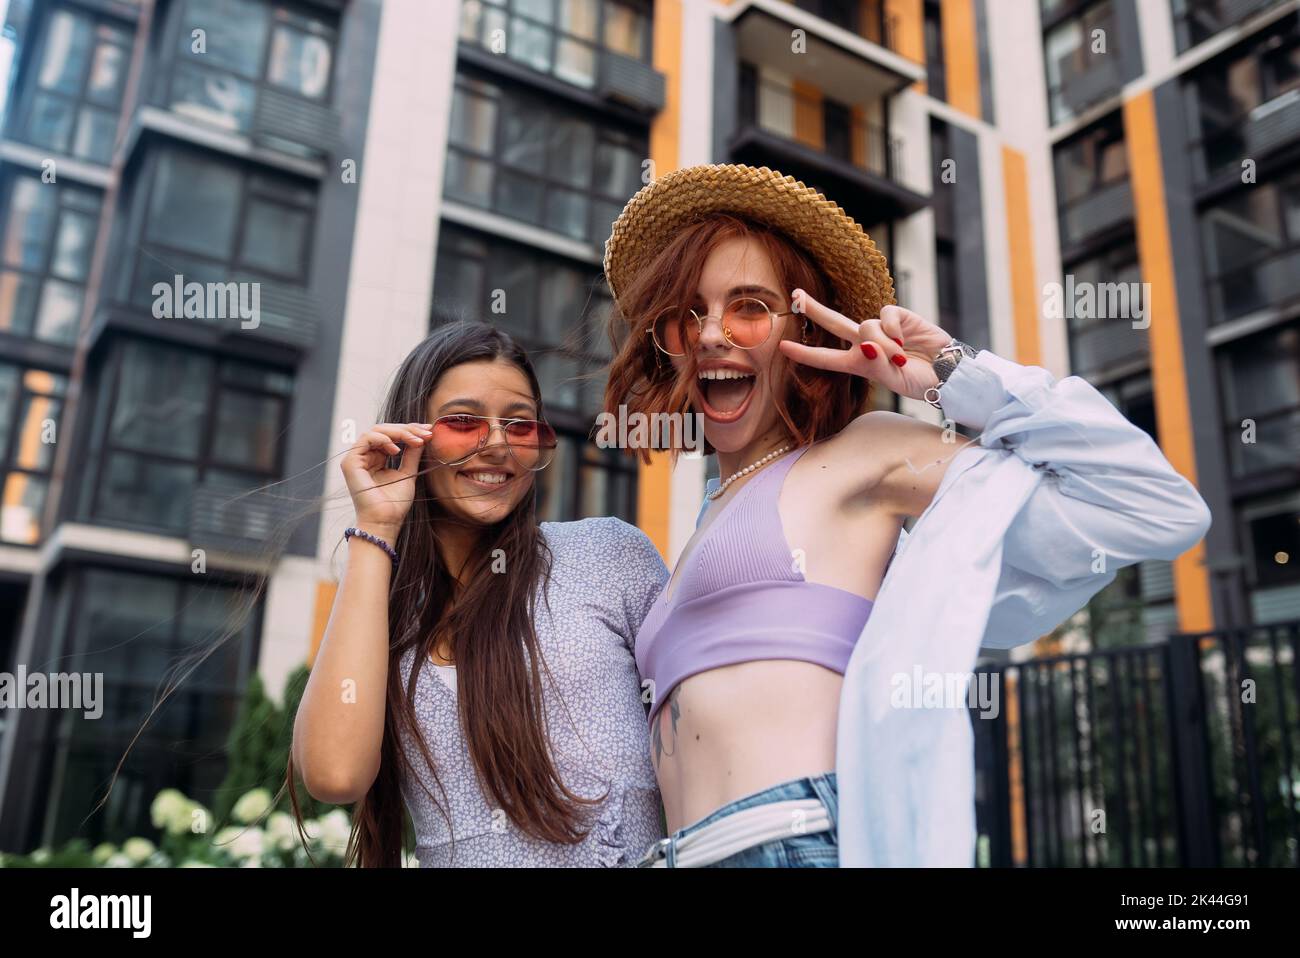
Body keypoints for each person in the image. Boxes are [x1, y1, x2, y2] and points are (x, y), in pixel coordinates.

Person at [601, 164, 1212, 868]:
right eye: (689, 313)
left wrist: (950, 375)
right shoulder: (715, 502)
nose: (712, 334)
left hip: (788, 843)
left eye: (748, 307)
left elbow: (1156, 506)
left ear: (802, 330)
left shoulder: (864, 453)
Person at [291, 321, 668, 866]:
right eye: (464, 422)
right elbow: (334, 774)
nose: (496, 445)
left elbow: (702, 729)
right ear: (413, 435)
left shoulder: (607, 555)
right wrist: (376, 525)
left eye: (519, 425)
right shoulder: (382, 621)